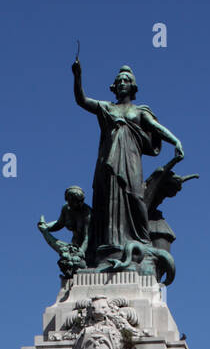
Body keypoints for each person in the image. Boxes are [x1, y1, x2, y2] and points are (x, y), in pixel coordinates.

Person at [72, 60, 183, 265]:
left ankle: (141, 241)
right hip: (108, 162)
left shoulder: (139, 112)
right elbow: (81, 100)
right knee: (107, 202)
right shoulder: (107, 108)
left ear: (132, 87)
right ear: (114, 87)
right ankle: (108, 248)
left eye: (126, 80)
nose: (122, 83)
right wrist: (77, 76)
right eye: (119, 80)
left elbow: (156, 128)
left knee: (135, 197)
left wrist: (175, 140)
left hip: (130, 162)